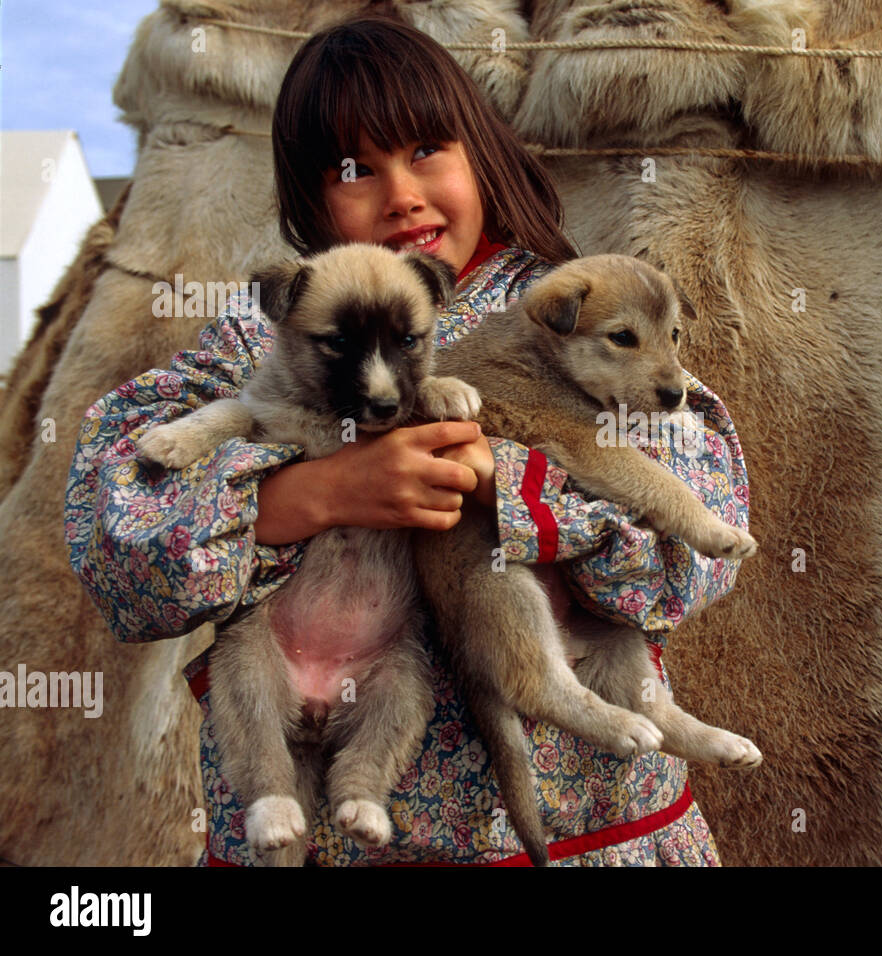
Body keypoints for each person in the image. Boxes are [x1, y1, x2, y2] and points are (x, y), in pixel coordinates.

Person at [65, 14, 751, 866]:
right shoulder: (262, 336)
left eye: (428, 148)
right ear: (312, 200)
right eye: (355, 168)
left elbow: (700, 554)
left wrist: (505, 477)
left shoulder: (582, 314)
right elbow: (114, 535)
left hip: (596, 833)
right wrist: (304, 496)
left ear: (481, 153)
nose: (401, 192)